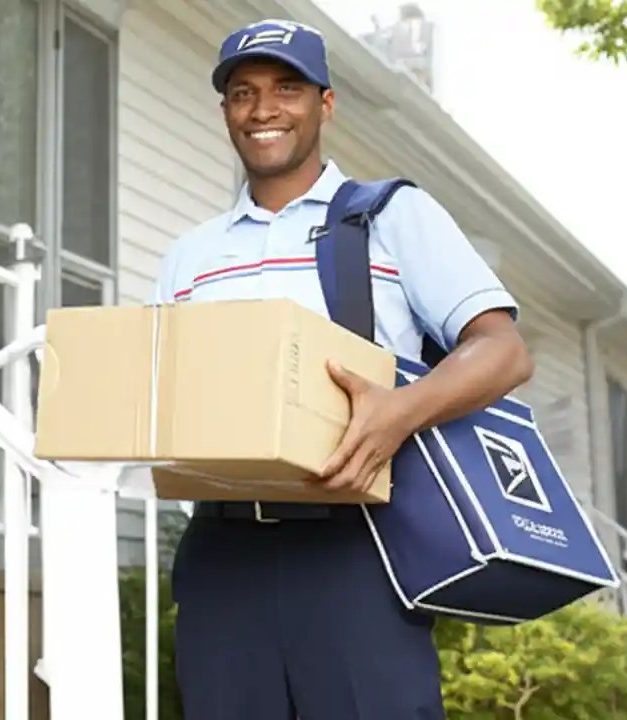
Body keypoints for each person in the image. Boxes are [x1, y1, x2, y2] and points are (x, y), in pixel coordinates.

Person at [150, 18, 535, 720]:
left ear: (325, 104)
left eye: (286, 89)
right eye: (243, 93)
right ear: (225, 112)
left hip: (357, 546)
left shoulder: (393, 217)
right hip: (220, 551)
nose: (263, 109)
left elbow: (502, 350)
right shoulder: (189, 255)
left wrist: (397, 412)